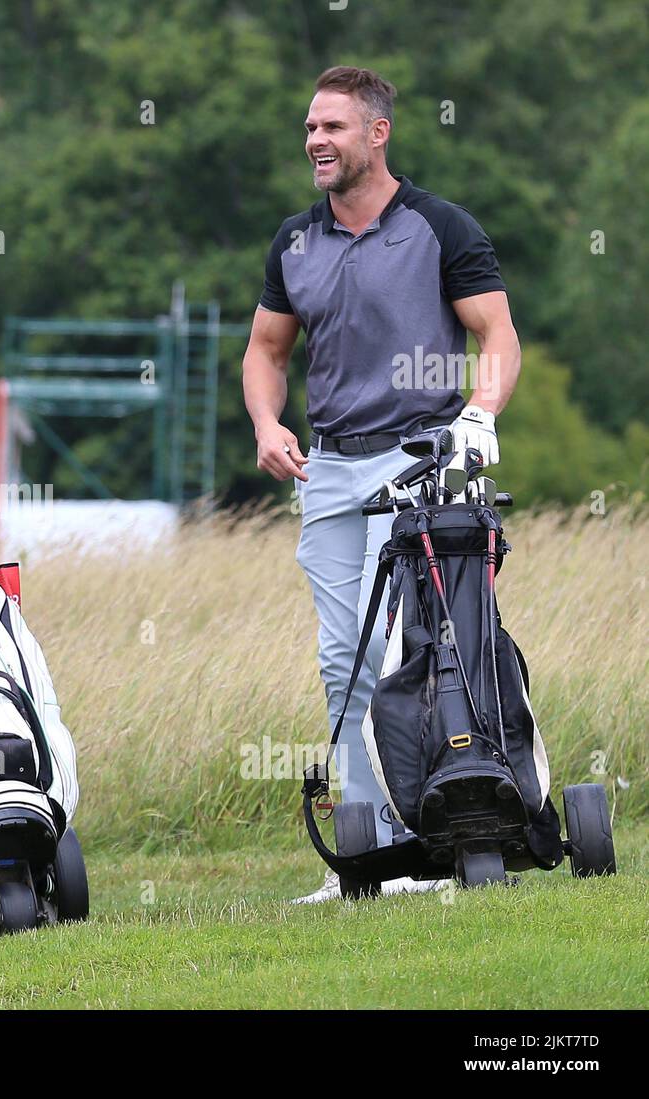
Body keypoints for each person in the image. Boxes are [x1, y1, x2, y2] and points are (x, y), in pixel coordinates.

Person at [241, 67, 520, 903]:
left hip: (415, 464)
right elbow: (265, 351)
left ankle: (427, 828)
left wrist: (479, 412)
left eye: (332, 127)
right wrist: (266, 423)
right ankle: (368, 853)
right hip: (327, 468)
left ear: (377, 132)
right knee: (342, 660)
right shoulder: (295, 242)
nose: (316, 142)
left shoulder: (439, 226)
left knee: (402, 649)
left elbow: (497, 332)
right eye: (310, 129)